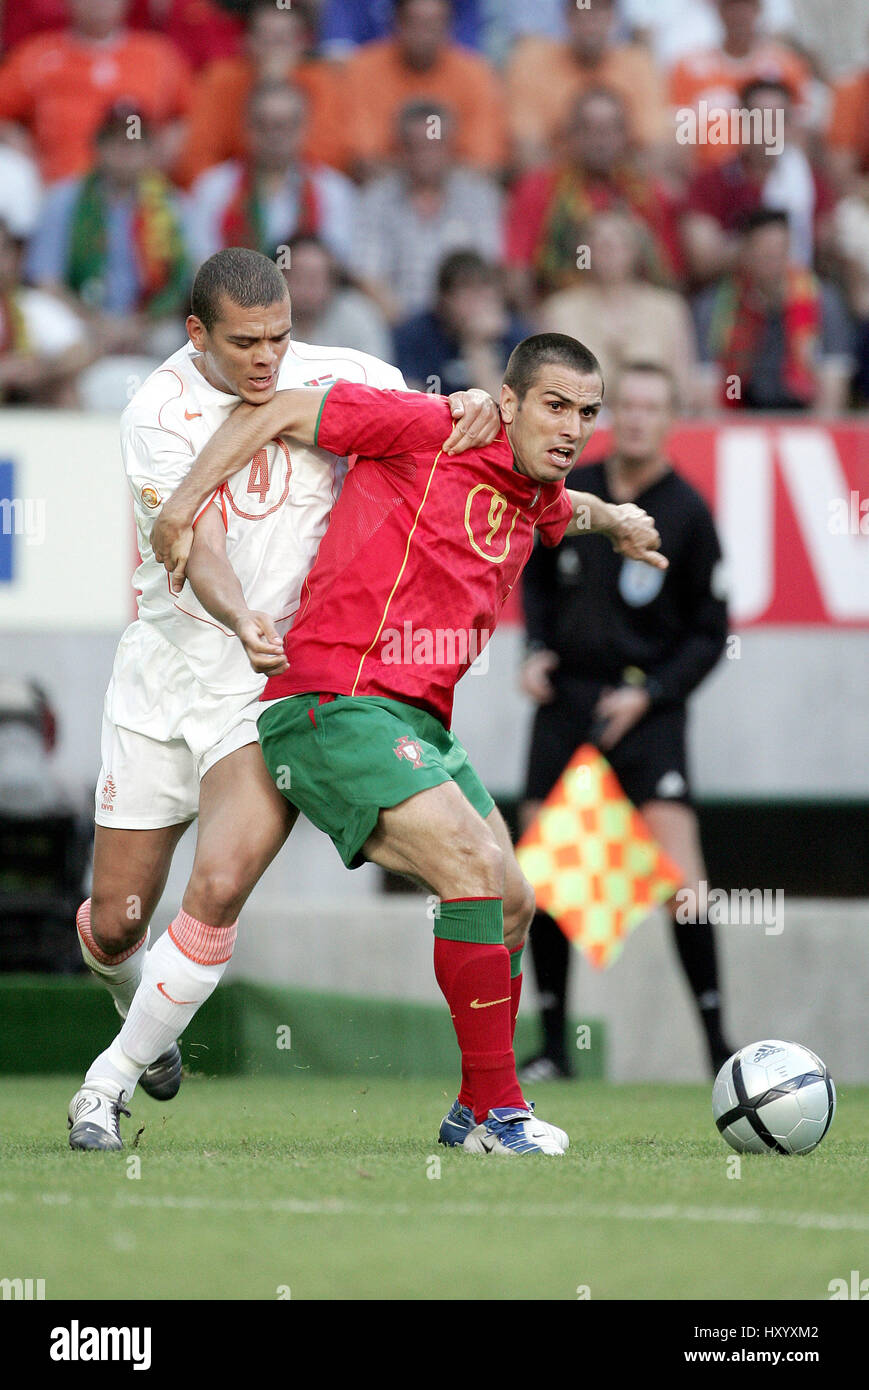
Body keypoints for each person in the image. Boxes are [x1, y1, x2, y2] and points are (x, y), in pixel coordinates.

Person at [150, 333, 667, 1156]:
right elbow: (275, 409)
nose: (572, 427)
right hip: (334, 700)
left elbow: (569, 510)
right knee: (470, 867)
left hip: (416, 724)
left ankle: (472, 1107)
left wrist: (617, 523)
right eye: (555, 406)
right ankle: (499, 1115)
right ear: (508, 402)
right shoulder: (431, 426)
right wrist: (179, 508)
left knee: (512, 901)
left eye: (586, 413)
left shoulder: (536, 491)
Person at [66, 247, 498, 1151]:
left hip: (268, 689)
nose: (268, 359)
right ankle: (142, 1018)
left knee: (220, 885)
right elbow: (197, 543)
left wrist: (470, 403)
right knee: (114, 925)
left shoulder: (338, 372)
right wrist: (238, 615)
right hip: (164, 676)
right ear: (197, 334)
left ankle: (103, 1089)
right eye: (245, 343)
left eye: (279, 338)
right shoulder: (156, 411)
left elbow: (434, 421)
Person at [517, 361, 733, 1082]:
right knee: (541, 873)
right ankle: (554, 1048)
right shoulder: (574, 493)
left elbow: (711, 632)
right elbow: (532, 577)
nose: (636, 418)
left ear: (670, 419)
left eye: (650, 406)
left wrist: (654, 693)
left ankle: (717, 1048)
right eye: (626, 406)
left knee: (682, 880)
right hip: (568, 700)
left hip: (645, 709)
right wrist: (535, 650)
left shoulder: (688, 513)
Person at [26, 105, 190, 360]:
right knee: (51, 325)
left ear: (151, 151)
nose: (125, 151)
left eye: (134, 143)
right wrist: (96, 323)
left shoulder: (172, 205)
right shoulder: (64, 200)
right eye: (116, 141)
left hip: (148, 326)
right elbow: (46, 281)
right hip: (81, 321)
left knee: (178, 337)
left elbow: (184, 282)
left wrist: (139, 325)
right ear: (97, 147)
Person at [505, 88, 684, 312]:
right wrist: (537, 325)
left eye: (610, 130)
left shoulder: (650, 194)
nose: (600, 140)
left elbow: (669, 273)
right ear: (571, 134)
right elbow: (518, 270)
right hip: (560, 311)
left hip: (636, 312)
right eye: (589, 129)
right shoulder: (538, 188)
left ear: (626, 135)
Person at [0, 0, 191, 185]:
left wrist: (164, 152)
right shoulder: (38, 55)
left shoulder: (157, 55)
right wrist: (24, 157)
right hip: (59, 187)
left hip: (139, 188)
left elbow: (188, 116)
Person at [349, 101, 503, 323]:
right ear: (400, 149)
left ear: (450, 146)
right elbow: (367, 275)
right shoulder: (376, 198)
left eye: (433, 146)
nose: (425, 155)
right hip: (396, 322)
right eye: (415, 146)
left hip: (465, 319)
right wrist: (409, 327)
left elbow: (487, 267)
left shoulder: (480, 197)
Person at [692, 207, 854, 412]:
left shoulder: (821, 300)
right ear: (745, 253)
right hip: (738, 409)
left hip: (804, 412)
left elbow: (833, 388)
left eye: (780, 251)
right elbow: (707, 394)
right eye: (765, 252)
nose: (774, 260)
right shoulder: (717, 305)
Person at [538, 210, 699, 411]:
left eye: (619, 241)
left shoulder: (669, 309)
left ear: (637, 250)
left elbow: (684, 389)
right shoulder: (559, 310)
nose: (608, 249)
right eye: (598, 242)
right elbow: (547, 388)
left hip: (654, 423)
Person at [176, 0, 349, 186]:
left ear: (301, 44)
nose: (274, 50)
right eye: (266, 39)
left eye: (282, 40)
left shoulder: (321, 81)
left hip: (303, 189)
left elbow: (332, 158)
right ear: (247, 41)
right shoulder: (221, 79)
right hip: (233, 189)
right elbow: (196, 159)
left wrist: (280, 85)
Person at [185, 82, 357, 270]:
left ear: (305, 127)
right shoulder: (214, 186)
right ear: (246, 126)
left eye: (284, 126)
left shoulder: (333, 189)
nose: (274, 135)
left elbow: (336, 263)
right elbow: (201, 262)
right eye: (263, 125)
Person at [341, 0, 508, 180]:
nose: (424, 34)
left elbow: (486, 163)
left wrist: (427, 170)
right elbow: (363, 160)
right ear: (397, 23)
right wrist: (423, 167)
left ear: (450, 26)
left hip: (457, 186)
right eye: (415, 23)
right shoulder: (365, 69)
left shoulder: (475, 74)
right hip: (387, 185)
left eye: (433, 24)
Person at [504, 0, 668, 172]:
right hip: (555, 182)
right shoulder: (534, 62)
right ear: (567, 18)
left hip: (622, 179)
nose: (591, 24)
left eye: (599, 13)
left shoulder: (637, 65)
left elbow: (655, 148)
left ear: (615, 19)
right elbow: (527, 152)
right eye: (583, 13)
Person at [393, 249, 530, 397]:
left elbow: (507, 405)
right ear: (444, 298)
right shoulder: (415, 335)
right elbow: (410, 398)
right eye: (467, 291)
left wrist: (478, 346)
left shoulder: (513, 334)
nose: (478, 301)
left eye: (484, 289)